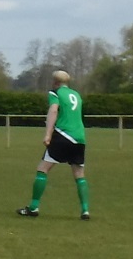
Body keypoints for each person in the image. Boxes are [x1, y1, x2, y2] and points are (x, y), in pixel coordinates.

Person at [17, 70, 89, 219]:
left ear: (55, 82)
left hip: (63, 135)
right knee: (79, 174)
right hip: (80, 138)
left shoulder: (55, 93)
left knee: (42, 169)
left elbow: (53, 111)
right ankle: (85, 210)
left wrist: (48, 134)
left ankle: (34, 208)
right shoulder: (76, 95)